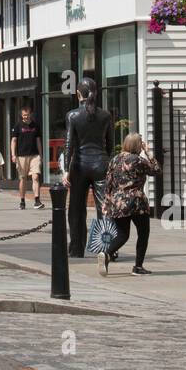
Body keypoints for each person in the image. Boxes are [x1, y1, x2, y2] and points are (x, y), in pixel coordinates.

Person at [62, 77, 113, 258]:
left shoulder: (73, 115)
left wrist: (66, 170)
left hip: (80, 165)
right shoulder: (106, 115)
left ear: (78, 94)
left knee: (76, 208)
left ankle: (76, 248)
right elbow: (110, 145)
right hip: (101, 163)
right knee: (104, 209)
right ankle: (106, 248)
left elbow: (69, 144)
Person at [98, 133, 160, 276]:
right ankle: (138, 267)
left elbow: (108, 182)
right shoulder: (138, 160)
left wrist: (107, 202)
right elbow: (156, 170)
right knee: (143, 233)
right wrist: (148, 152)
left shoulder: (114, 160)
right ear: (138, 146)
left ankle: (106, 253)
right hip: (136, 202)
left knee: (122, 234)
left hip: (118, 202)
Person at [10, 105, 44, 210]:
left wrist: (40, 154)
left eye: (27, 115)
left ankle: (37, 201)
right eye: (24, 115)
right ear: (21, 115)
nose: (25, 117)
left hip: (34, 155)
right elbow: (13, 141)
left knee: (36, 177)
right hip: (21, 156)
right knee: (23, 178)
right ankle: (22, 201)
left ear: (30, 114)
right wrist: (13, 154)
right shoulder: (18, 126)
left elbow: (38, 140)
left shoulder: (35, 125)